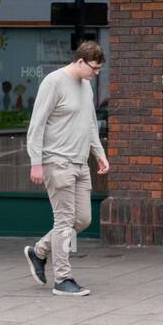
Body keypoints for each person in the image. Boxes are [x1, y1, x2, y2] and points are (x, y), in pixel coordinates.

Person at [23, 41, 110, 296]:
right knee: (63, 222)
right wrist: (35, 163)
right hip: (57, 161)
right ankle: (62, 279)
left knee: (82, 219)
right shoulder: (54, 82)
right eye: (94, 69)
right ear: (81, 62)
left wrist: (99, 154)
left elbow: (90, 124)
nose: (96, 74)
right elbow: (36, 125)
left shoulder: (85, 87)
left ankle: (39, 251)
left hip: (80, 163)